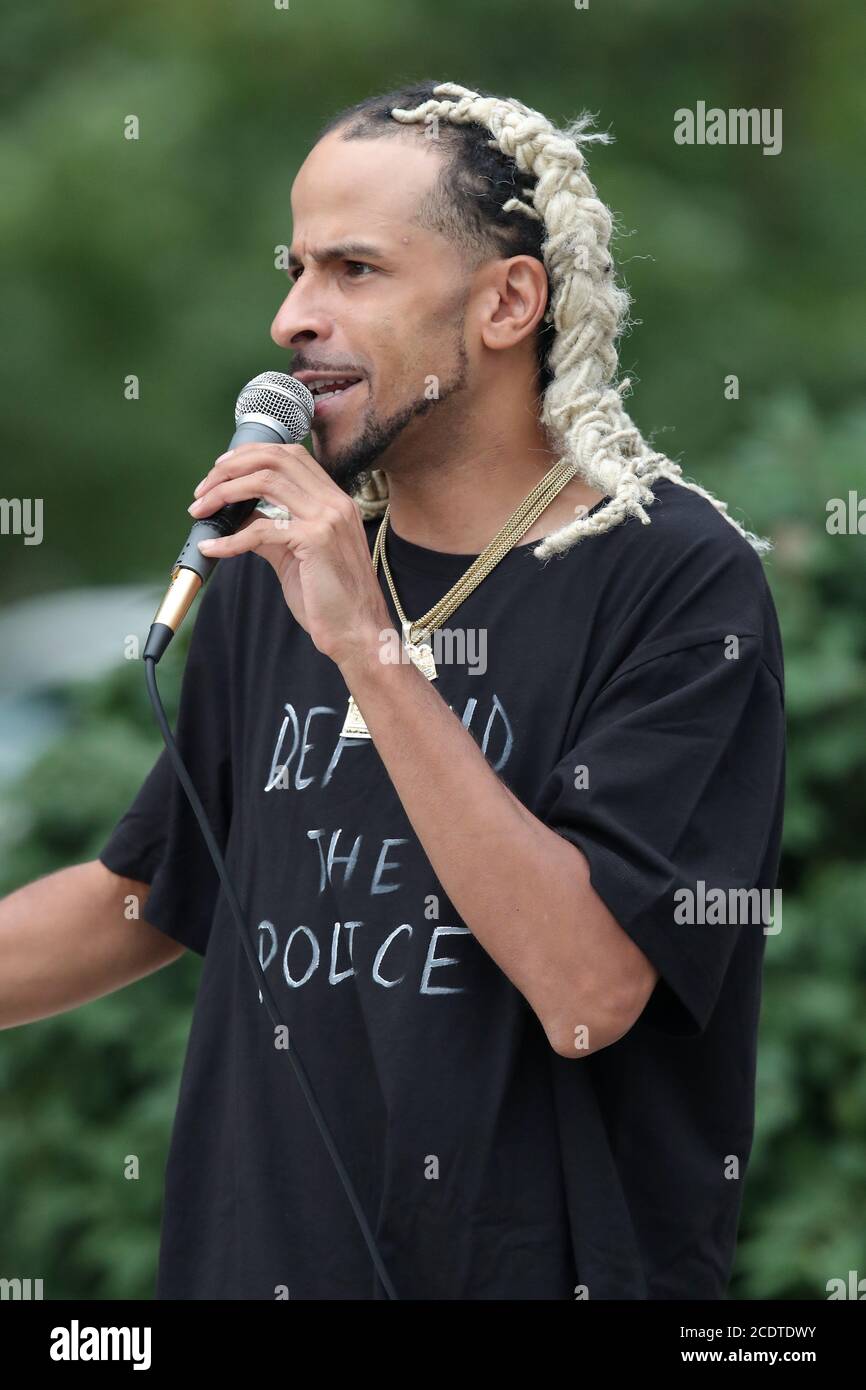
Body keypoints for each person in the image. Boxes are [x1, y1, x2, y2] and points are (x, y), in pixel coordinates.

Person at [0, 80, 785, 1300]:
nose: (291, 318)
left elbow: (586, 992)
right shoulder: (282, 566)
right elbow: (149, 893)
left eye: (353, 270)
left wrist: (369, 648)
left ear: (506, 302)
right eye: (295, 269)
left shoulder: (676, 581)